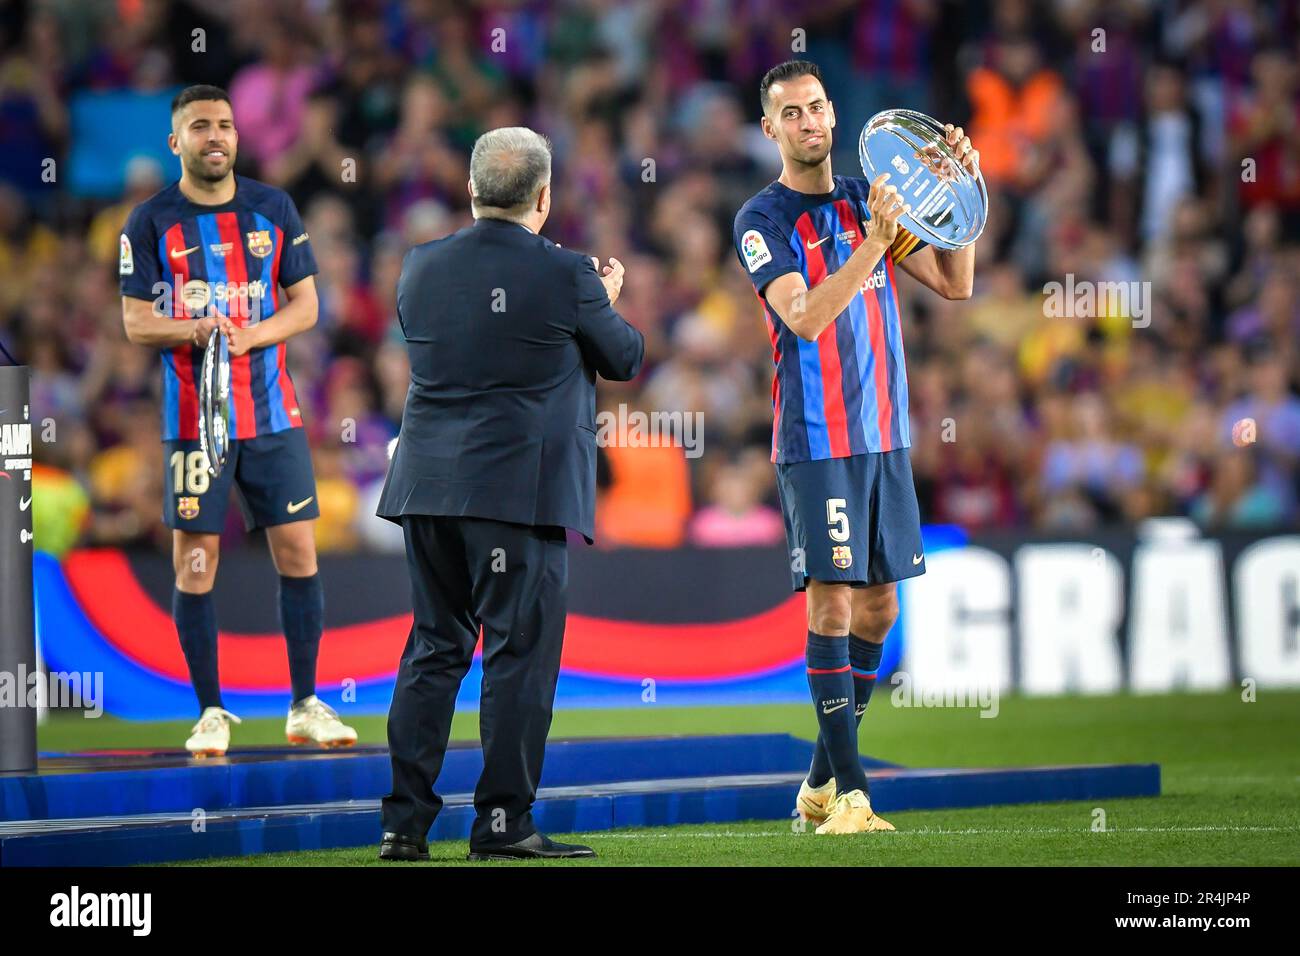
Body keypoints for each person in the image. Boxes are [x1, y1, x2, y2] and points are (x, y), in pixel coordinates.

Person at [375, 127, 644, 862]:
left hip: (427, 489)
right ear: (545, 197)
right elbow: (622, 355)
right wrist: (605, 300)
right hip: (516, 499)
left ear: (471, 190)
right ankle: (502, 823)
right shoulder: (568, 274)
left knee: (434, 649)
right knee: (518, 655)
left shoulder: (419, 266)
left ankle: (403, 827)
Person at [732, 61, 979, 834]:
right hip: (816, 439)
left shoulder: (863, 198)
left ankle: (815, 785)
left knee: (879, 607)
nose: (808, 123)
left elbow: (954, 281)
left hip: (884, 435)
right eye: (791, 114)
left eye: (817, 107)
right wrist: (872, 246)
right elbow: (803, 318)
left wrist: (962, 195)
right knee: (833, 599)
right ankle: (853, 795)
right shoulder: (761, 221)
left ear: (834, 114)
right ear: (770, 129)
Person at [119, 85, 356, 757]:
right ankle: (210, 711)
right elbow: (135, 322)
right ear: (177, 143)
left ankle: (306, 702)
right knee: (197, 561)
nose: (214, 135)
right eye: (199, 126)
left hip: (274, 414)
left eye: (223, 124)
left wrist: (252, 337)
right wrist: (195, 329)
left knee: (299, 552)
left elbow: (306, 306)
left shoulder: (272, 208)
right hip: (194, 419)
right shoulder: (149, 221)